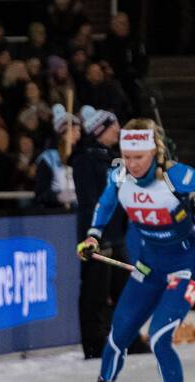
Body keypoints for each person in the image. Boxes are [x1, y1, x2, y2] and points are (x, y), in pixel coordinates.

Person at [59, 119, 195, 382]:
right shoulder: (119, 175)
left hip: (185, 267)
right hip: (150, 267)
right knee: (118, 335)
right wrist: (92, 236)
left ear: (154, 152)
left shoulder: (176, 176)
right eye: (127, 157)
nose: (132, 164)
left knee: (158, 337)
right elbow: (105, 203)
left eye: (138, 157)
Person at [71, 106, 122, 359]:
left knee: (121, 288)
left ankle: (121, 337)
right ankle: (94, 342)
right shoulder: (85, 159)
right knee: (95, 290)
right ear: (101, 130)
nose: (119, 132)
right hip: (96, 235)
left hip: (116, 232)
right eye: (114, 128)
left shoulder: (113, 158)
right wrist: (95, 234)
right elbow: (90, 201)